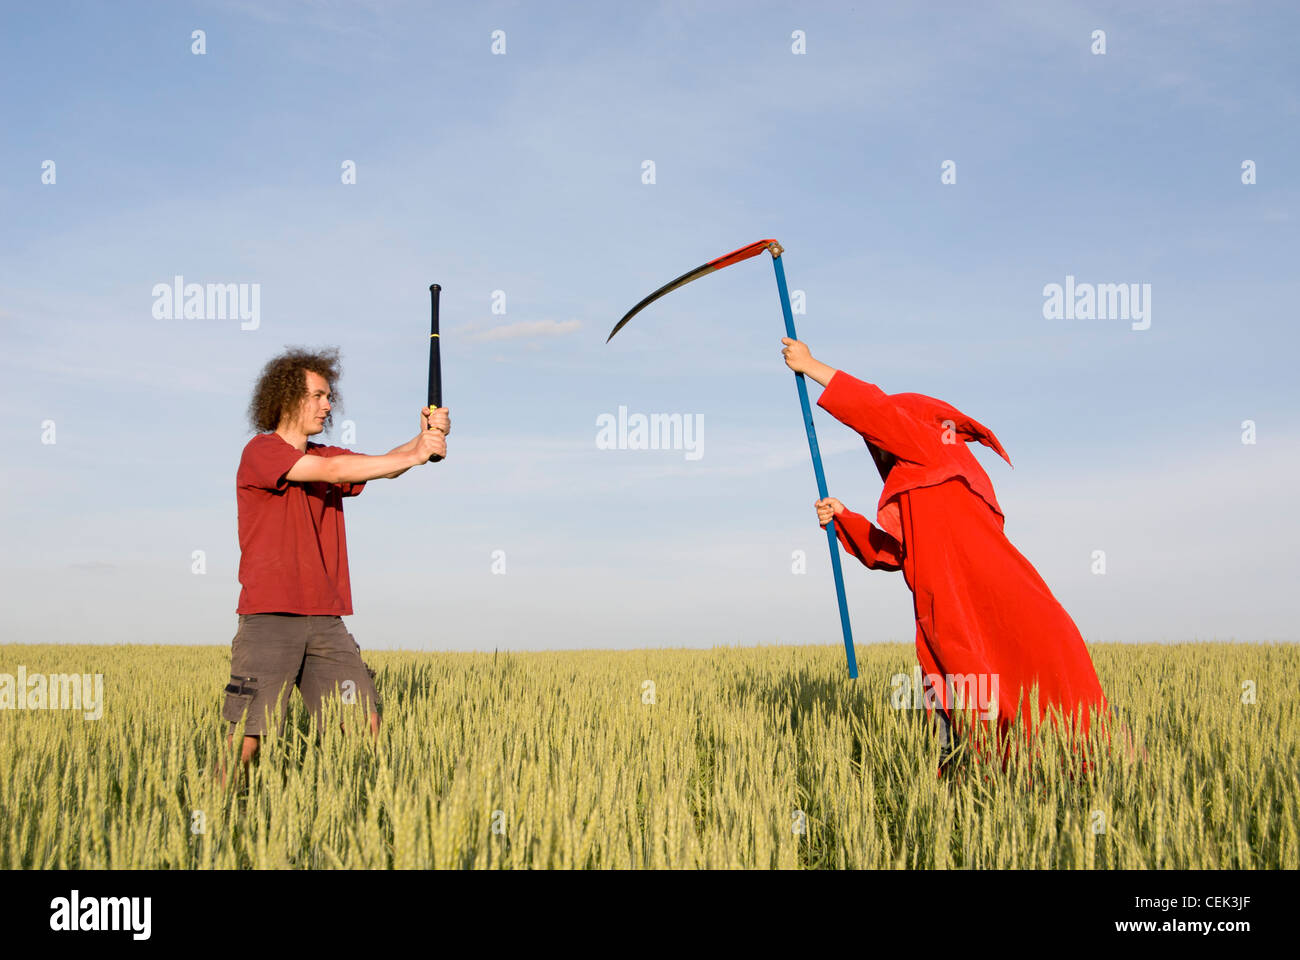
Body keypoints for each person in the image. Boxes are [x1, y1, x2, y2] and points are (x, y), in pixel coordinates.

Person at [780, 337, 1107, 771]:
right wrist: (845, 520)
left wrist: (813, 366)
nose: (880, 449)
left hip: (994, 610)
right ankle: (976, 801)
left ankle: (1041, 787)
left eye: (884, 439)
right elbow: (895, 554)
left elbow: (875, 411)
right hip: (952, 619)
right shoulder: (924, 483)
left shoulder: (932, 450)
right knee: (962, 708)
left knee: (1040, 712)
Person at [221, 347, 448, 780]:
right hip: (270, 616)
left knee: (363, 721)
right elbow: (332, 471)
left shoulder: (327, 456)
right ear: (288, 398)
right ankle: (217, 814)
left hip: (326, 620)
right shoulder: (262, 452)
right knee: (250, 736)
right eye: (319, 395)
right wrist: (415, 454)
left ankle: (354, 811)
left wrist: (421, 440)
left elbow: (371, 466)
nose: (329, 405)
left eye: (329, 396)